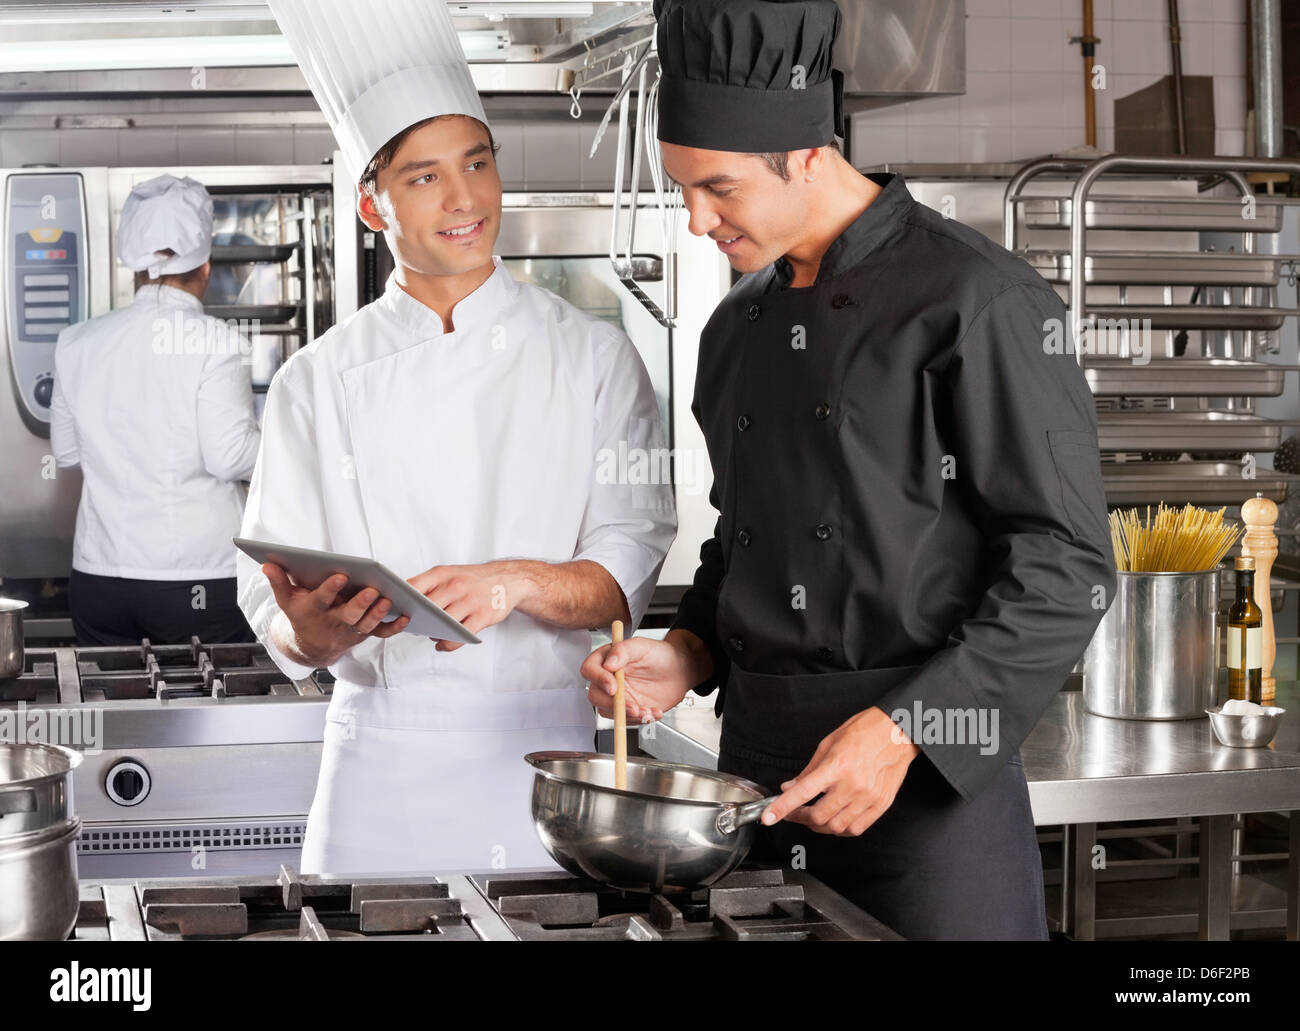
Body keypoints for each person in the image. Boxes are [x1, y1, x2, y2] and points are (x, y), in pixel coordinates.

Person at [582, 0, 1116, 940]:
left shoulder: (979, 303)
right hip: (753, 793)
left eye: (720, 188)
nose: (697, 219)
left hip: (922, 794)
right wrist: (686, 652)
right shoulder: (735, 327)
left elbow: (1066, 567)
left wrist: (904, 730)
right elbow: (743, 538)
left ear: (809, 154)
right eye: (683, 189)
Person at [239, 0, 675, 874]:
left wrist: (512, 581)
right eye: (425, 177)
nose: (466, 198)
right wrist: (313, 638)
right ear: (373, 205)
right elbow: (272, 606)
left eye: (477, 163)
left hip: (545, 773)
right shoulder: (313, 383)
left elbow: (626, 571)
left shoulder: (593, 354)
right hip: (377, 774)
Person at [50, 174, 260, 645]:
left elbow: (65, 454)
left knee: (115, 713)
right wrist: (284, 441)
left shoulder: (75, 342)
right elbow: (229, 457)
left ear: (136, 270)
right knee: (210, 713)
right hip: (195, 576)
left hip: (99, 579)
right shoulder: (218, 341)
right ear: (204, 266)